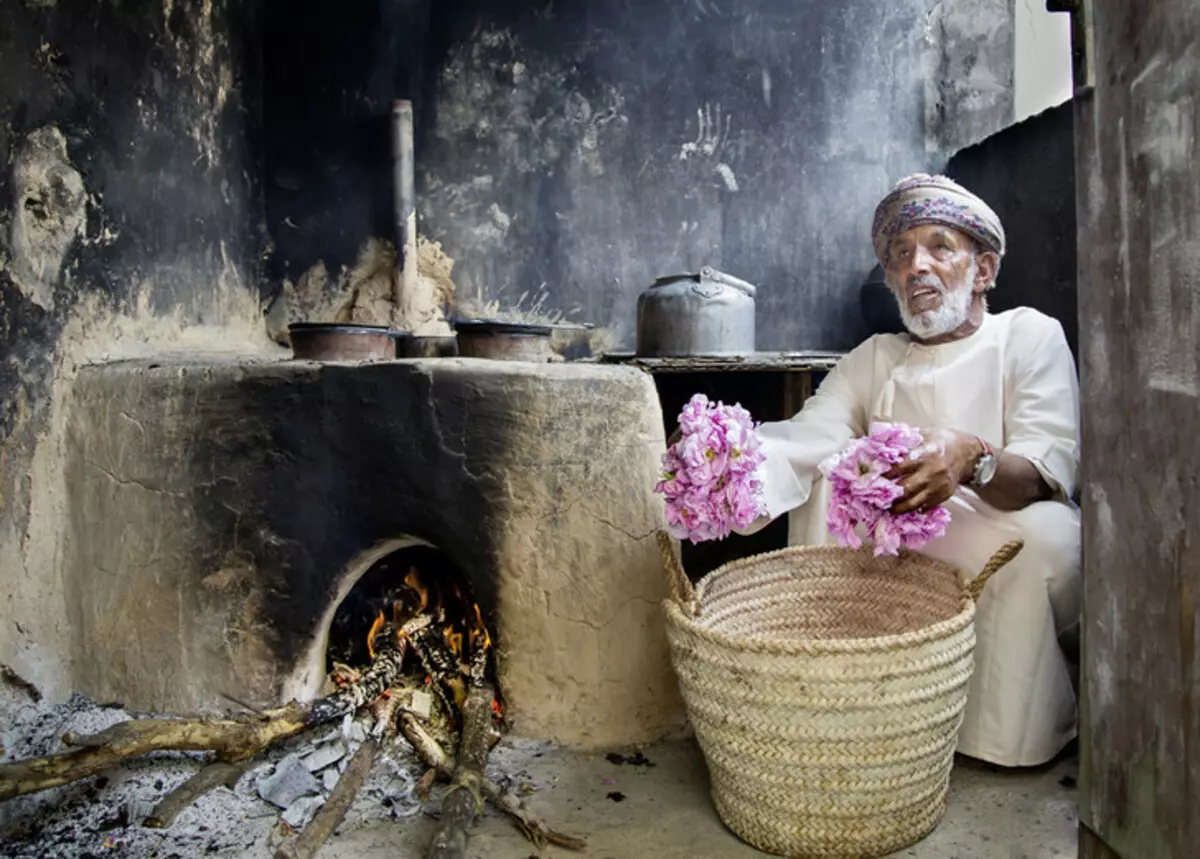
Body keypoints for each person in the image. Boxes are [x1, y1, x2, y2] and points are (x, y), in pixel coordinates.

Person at [740, 174, 1081, 768]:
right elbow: (808, 436)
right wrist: (729, 458)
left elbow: (1045, 471)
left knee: (1047, 538)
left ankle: (997, 739)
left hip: (993, 524)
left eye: (940, 246)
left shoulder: (1027, 335)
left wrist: (972, 456)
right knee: (825, 482)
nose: (916, 265)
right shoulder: (875, 357)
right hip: (897, 542)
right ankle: (846, 706)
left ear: (983, 270)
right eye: (901, 254)